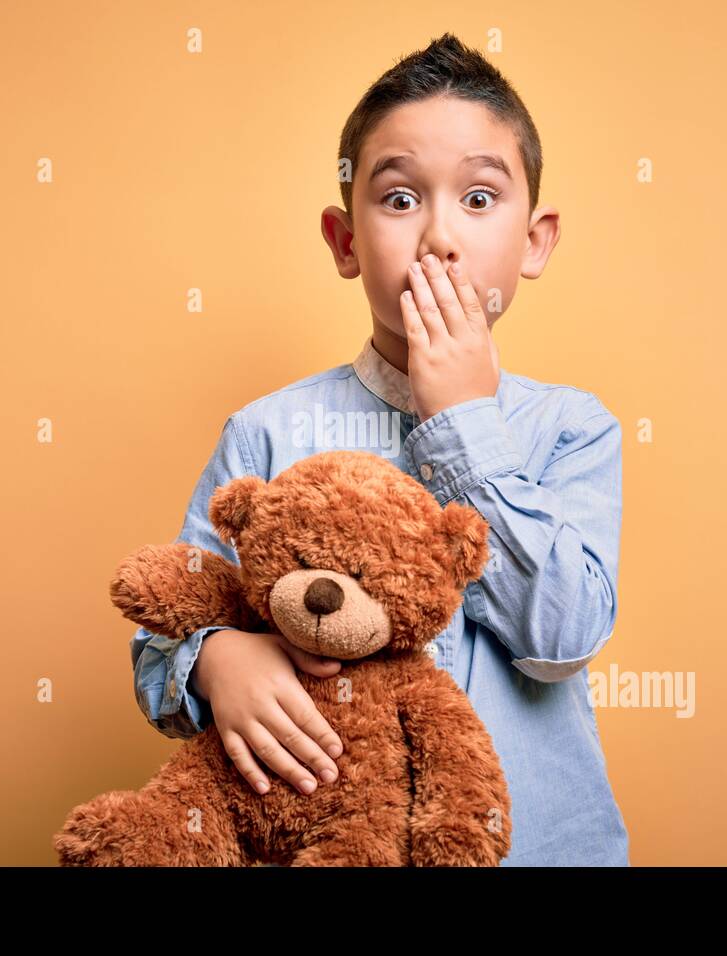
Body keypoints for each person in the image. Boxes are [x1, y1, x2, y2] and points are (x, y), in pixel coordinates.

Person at [130, 32, 627, 865]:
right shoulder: (267, 431)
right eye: (400, 200)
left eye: (478, 199)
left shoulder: (572, 428)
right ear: (344, 240)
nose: (439, 237)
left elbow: (563, 638)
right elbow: (162, 637)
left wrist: (461, 423)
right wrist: (216, 661)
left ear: (535, 241)